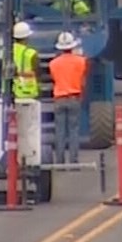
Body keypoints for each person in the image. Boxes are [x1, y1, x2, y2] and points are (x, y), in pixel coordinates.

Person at [48, 31, 90, 165]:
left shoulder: (53, 63)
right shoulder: (81, 61)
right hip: (74, 97)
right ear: (72, 47)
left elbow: (54, 79)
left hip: (59, 98)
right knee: (73, 130)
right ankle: (73, 159)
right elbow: (83, 79)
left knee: (60, 130)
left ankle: (59, 159)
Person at [10, 20, 39, 103]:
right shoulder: (31, 53)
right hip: (28, 92)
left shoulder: (8, 51)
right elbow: (37, 71)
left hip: (12, 90)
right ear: (27, 37)